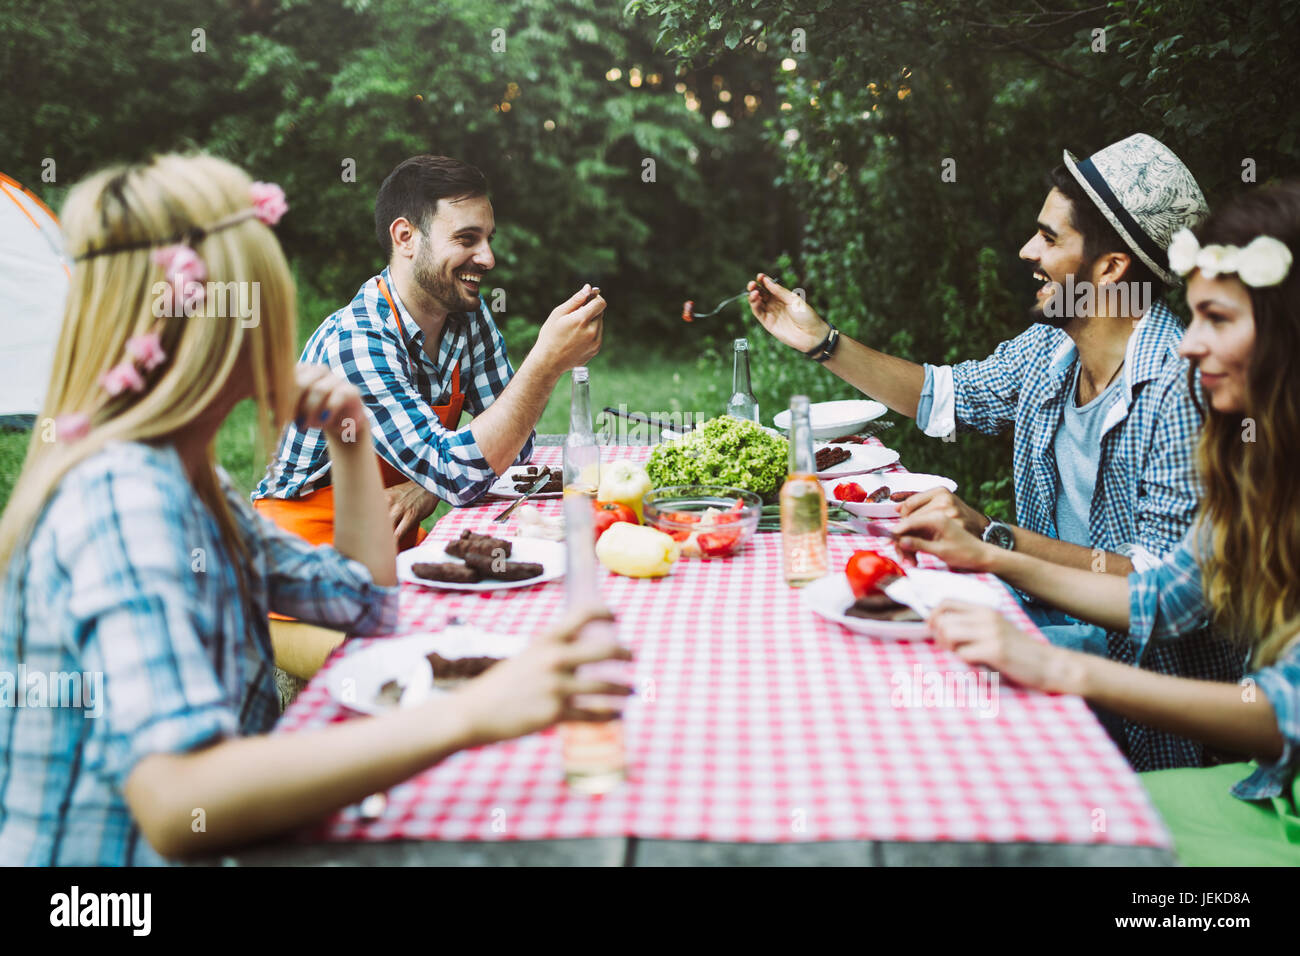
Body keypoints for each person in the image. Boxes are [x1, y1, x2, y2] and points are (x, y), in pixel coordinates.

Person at [0, 154, 629, 865]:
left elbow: (366, 603)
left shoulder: (195, 488)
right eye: (269, 306)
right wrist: (473, 714)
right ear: (211, 329)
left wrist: (351, 434)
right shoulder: (125, 501)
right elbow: (180, 804)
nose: (284, 328)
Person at [748, 133, 1242, 771]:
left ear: (1112, 267)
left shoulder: (1180, 387)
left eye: (1051, 238)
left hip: (1137, 686)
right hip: (1040, 618)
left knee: (905, 713)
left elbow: (1159, 593)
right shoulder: (1050, 350)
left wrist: (996, 541)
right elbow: (941, 395)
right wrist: (821, 342)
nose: (1027, 251)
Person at [909, 182, 1300, 864]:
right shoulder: (1253, 456)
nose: (1187, 344)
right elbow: (1164, 594)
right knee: (1008, 811)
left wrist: (1056, 665)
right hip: (1269, 789)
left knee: (1037, 836)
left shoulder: (1185, 403)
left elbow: (1276, 711)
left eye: (1216, 318)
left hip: (1270, 805)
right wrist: (990, 553)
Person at [253, 154, 606, 548]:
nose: (488, 258)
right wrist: (545, 362)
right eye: (466, 239)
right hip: (302, 545)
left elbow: (516, 445)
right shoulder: (357, 340)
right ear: (405, 237)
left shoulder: (467, 316)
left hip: (386, 531)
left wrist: (425, 488)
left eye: (489, 239)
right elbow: (460, 471)